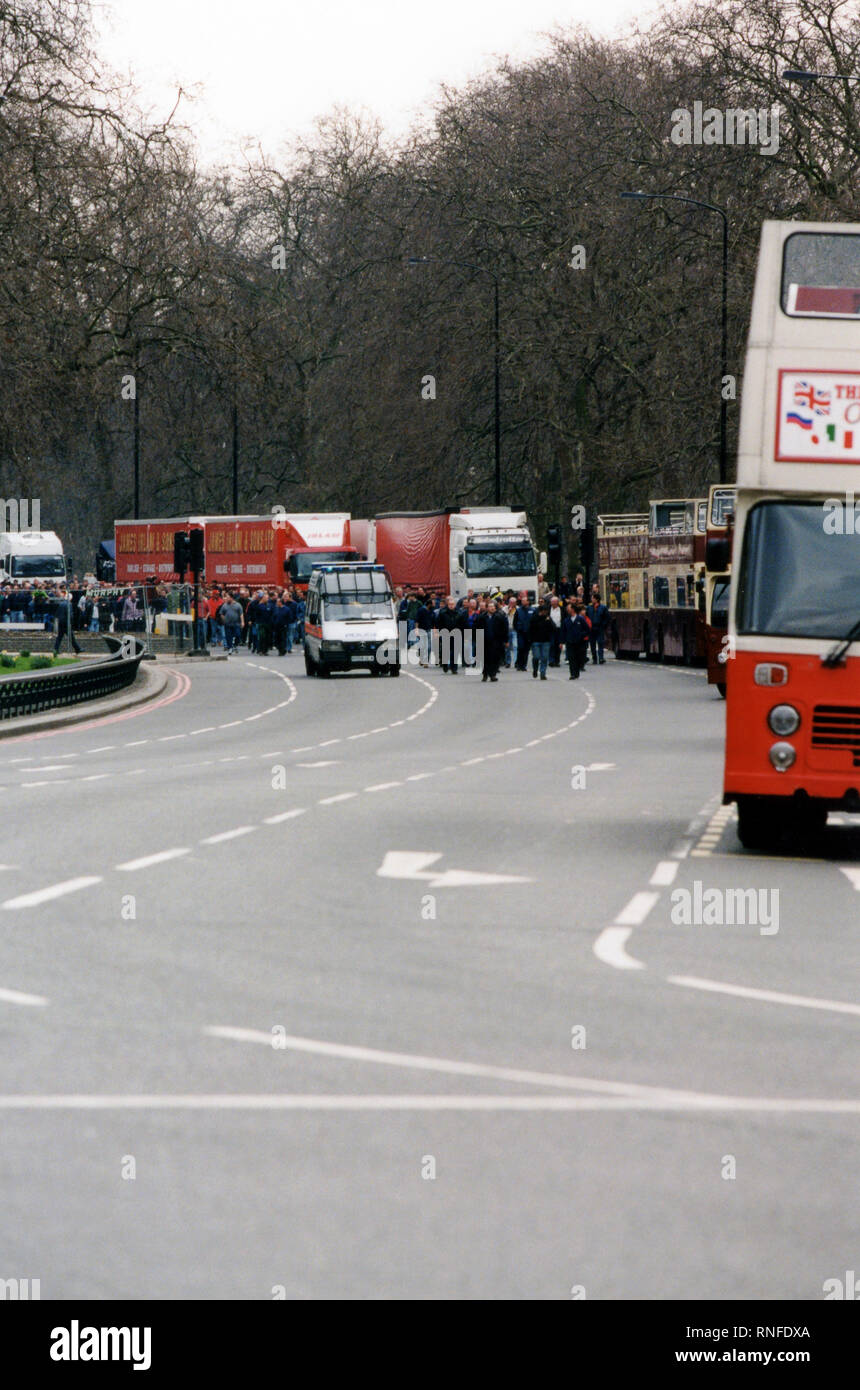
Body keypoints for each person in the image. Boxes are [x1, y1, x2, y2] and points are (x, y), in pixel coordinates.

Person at [481, 599, 509, 682]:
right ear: (487, 608)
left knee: (495, 658)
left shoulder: (500, 617)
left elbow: (505, 629)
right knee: (486, 658)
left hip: (496, 641)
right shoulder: (482, 617)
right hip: (485, 641)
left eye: (493, 607)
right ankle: (485, 674)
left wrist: (506, 640)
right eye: (490, 607)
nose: (492, 608)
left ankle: (493, 674)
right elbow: (477, 628)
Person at [436, 595, 464, 673]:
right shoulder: (442, 613)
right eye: (450, 604)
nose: (451, 606)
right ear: (447, 605)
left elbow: (463, 624)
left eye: (453, 604)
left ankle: (454, 668)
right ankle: (445, 664)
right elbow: (438, 623)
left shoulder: (459, 613)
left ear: (455, 605)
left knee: (455, 652)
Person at [562, 601, 590, 679]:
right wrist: (562, 641)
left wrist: (581, 635)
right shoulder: (566, 620)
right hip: (570, 642)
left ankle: (577, 671)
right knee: (571, 658)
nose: (567, 610)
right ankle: (572, 674)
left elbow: (587, 629)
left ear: (573, 609)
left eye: (569, 608)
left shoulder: (580, 619)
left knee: (579, 657)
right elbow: (563, 631)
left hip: (579, 642)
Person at [528, 601, 555, 680]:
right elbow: (530, 629)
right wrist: (530, 640)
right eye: (544, 611)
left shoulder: (548, 618)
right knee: (536, 657)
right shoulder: (534, 618)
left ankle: (543, 673)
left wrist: (549, 621)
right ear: (541, 611)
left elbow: (554, 628)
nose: (545, 613)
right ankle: (535, 669)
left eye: (547, 611)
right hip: (535, 641)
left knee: (545, 657)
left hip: (546, 641)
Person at [52, 586, 82, 655]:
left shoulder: (61, 603)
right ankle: (77, 649)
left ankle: (56, 650)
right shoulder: (69, 604)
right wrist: (71, 622)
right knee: (71, 637)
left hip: (61, 623)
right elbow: (70, 615)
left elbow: (57, 613)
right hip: (66, 623)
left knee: (59, 637)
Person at [586, 591, 609, 665]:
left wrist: (603, 625)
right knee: (592, 644)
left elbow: (607, 617)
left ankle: (601, 657)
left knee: (600, 643)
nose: (591, 599)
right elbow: (586, 617)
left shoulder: (603, 608)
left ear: (596, 599)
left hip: (599, 627)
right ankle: (594, 658)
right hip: (591, 628)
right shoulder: (589, 607)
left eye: (592, 598)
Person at [513, 594, 533, 670]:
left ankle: (524, 665)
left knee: (526, 649)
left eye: (524, 601)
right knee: (520, 648)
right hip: (521, 632)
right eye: (522, 601)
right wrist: (517, 629)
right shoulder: (518, 610)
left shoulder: (532, 610)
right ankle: (519, 664)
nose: (523, 602)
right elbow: (515, 622)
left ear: (528, 602)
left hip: (528, 633)